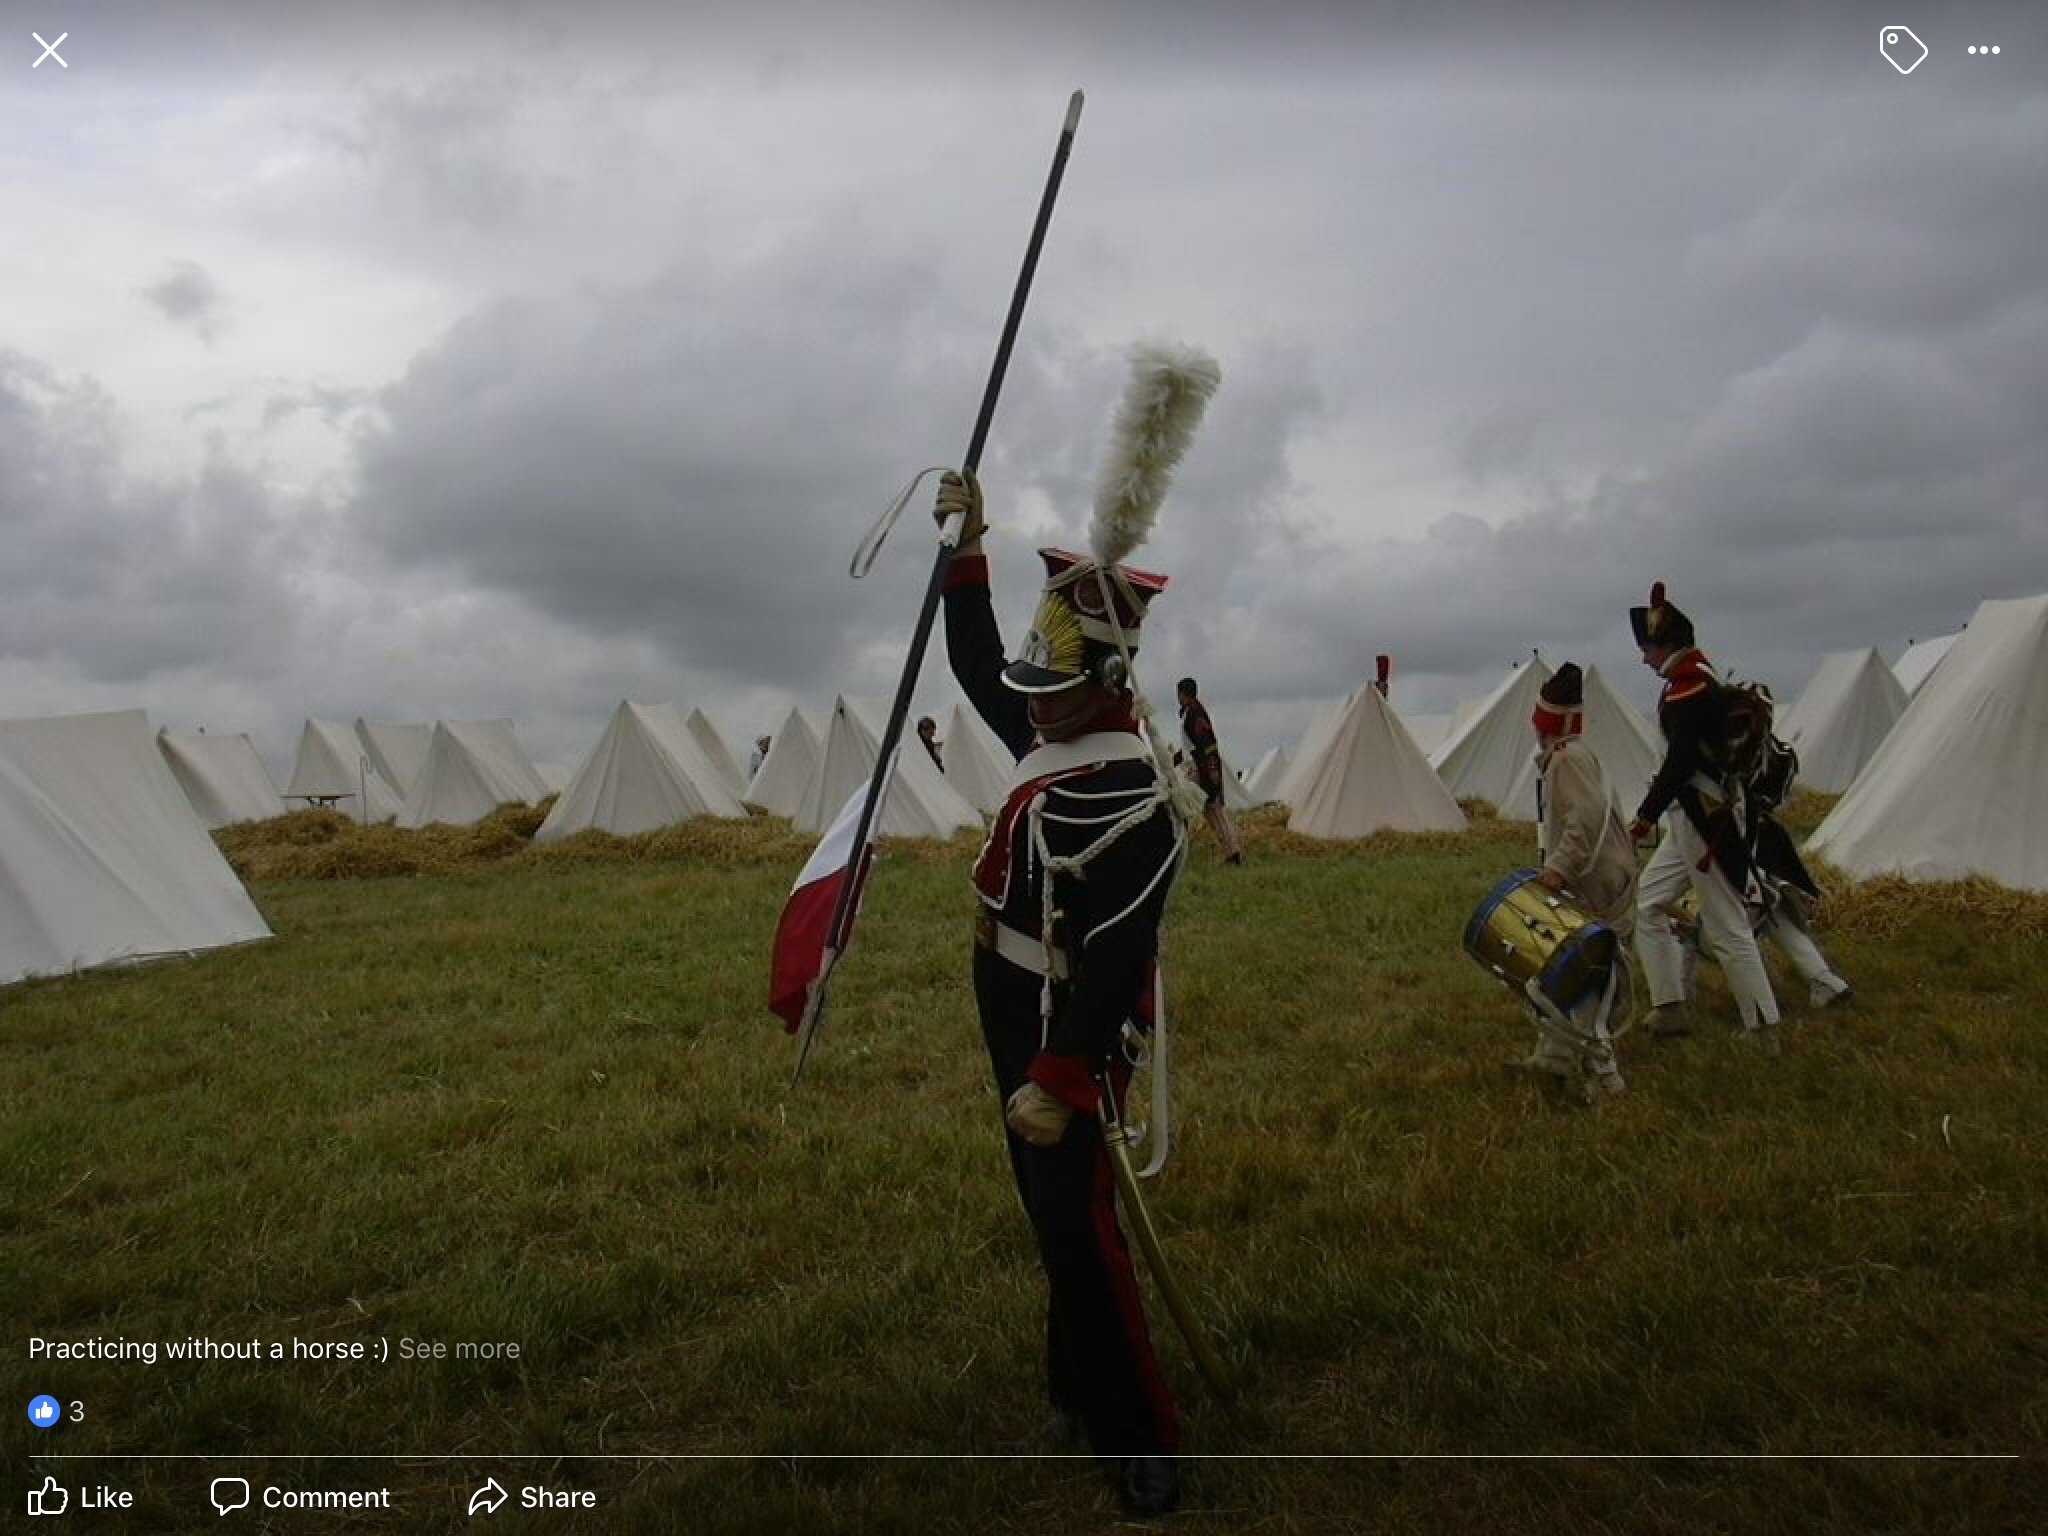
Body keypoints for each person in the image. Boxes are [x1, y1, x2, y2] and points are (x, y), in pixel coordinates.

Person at [933, 466, 1187, 1518]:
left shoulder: (1132, 790)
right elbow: (976, 659)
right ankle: (1074, 1380)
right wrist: (964, 547)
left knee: (1078, 1223)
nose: (1025, 694)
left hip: (1064, 1023)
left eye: (1054, 680)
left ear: (1107, 682)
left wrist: (1059, 1073)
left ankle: (1140, 1435)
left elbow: (1121, 956)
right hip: (1007, 994)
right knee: (1048, 1215)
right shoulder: (1052, 722)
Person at [1626, 582, 1784, 1054]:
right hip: (1690, 818)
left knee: (1727, 924)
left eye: (1648, 648)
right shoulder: (1697, 678)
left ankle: (1763, 1028)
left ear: (1667, 646)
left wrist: (1643, 817)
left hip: (1702, 817)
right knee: (1649, 904)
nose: (1644, 659)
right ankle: (1669, 1005)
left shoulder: (1688, 689)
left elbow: (1679, 766)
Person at [1513, 663, 1635, 1099]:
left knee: (1590, 978)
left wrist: (1558, 869)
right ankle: (1556, 1056)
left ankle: (1605, 1076)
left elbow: (1584, 821)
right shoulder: (1572, 757)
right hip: (1602, 872)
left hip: (1596, 878)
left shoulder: (1567, 760)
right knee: (1574, 970)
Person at [1175, 677, 1245, 866]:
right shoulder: (1189, 712)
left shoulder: (1196, 713)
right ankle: (1232, 852)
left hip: (1201, 769)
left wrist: (1211, 775)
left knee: (1203, 807)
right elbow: (1188, 747)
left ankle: (1234, 853)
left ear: (1182, 694)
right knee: (1209, 812)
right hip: (1194, 767)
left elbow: (1208, 745)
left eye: (1178, 694)